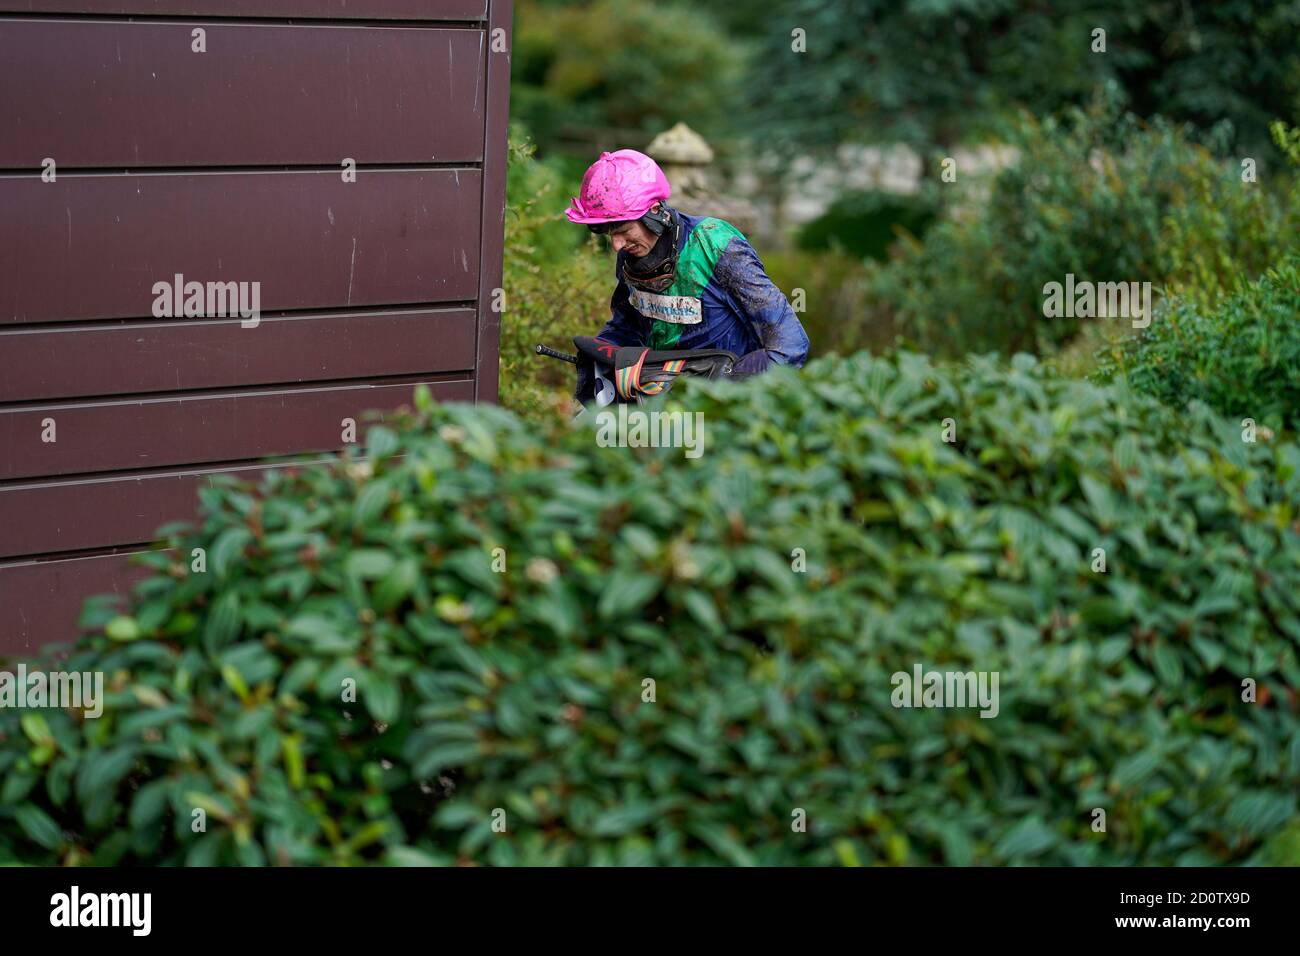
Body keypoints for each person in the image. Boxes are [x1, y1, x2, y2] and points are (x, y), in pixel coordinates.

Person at [564, 149, 810, 404]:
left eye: (624, 231)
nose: (617, 245)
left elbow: (790, 346)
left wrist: (725, 392)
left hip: (728, 404)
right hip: (663, 403)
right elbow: (628, 327)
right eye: (609, 233)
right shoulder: (631, 252)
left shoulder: (717, 246)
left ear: (655, 212)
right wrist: (601, 354)